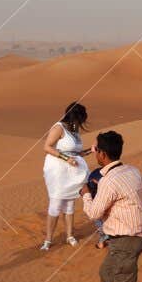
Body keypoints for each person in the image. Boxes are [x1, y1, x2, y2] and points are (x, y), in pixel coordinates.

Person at [79, 130, 142, 282]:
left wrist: (86, 194)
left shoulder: (109, 181)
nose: (94, 153)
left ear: (102, 154)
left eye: (95, 149)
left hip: (127, 239)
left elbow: (93, 213)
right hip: (131, 236)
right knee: (106, 273)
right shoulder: (132, 171)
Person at [40, 101, 90, 250]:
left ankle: (69, 235)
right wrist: (66, 159)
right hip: (57, 170)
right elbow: (47, 147)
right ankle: (48, 240)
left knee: (70, 204)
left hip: (72, 171)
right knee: (55, 204)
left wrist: (89, 151)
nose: (81, 122)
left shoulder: (74, 130)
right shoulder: (58, 127)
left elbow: (76, 153)